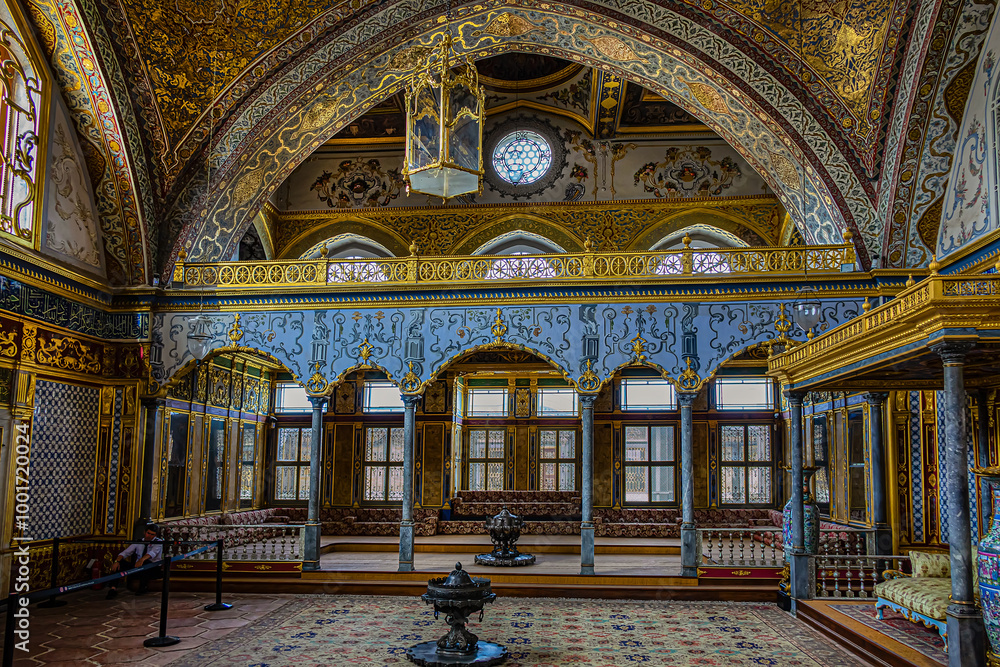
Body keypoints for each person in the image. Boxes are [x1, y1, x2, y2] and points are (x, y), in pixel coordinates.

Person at [106, 524, 163, 599]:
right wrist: (117, 561)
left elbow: (152, 553)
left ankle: (143, 587)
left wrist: (142, 559)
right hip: (138, 567)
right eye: (148, 533)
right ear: (144, 532)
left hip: (153, 569)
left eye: (152, 535)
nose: (149, 536)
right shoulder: (139, 541)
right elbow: (126, 552)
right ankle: (113, 589)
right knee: (120, 563)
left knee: (146, 562)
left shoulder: (158, 542)